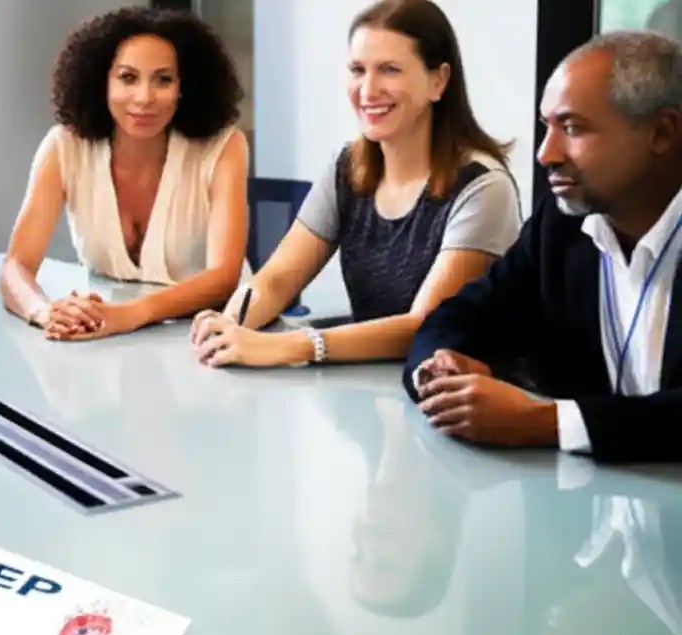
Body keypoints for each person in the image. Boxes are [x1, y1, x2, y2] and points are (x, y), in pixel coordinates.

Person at [190, 0, 521, 367]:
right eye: (357, 69)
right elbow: (279, 278)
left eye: (390, 70)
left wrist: (296, 346)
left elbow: (425, 326)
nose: (367, 90)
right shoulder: (346, 168)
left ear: (438, 81)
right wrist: (231, 325)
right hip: (373, 392)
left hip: (456, 401)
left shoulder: (484, 188)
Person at [407, 30, 682, 464]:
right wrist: (439, 373)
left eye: (571, 128)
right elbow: (456, 317)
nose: (545, 153)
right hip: (586, 508)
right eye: (546, 127)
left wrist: (545, 422)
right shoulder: (561, 224)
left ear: (661, 134)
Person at [0, 7, 249, 341]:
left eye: (164, 80)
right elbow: (15, 267)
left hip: (214, 336)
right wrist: (45, 312)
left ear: (184, 87)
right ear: (101, 82)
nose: (144, 98)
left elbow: (223, 277)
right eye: (128, 78)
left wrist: (132, 314)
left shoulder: (224, 147)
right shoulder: (65, 147)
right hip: (116, 341)